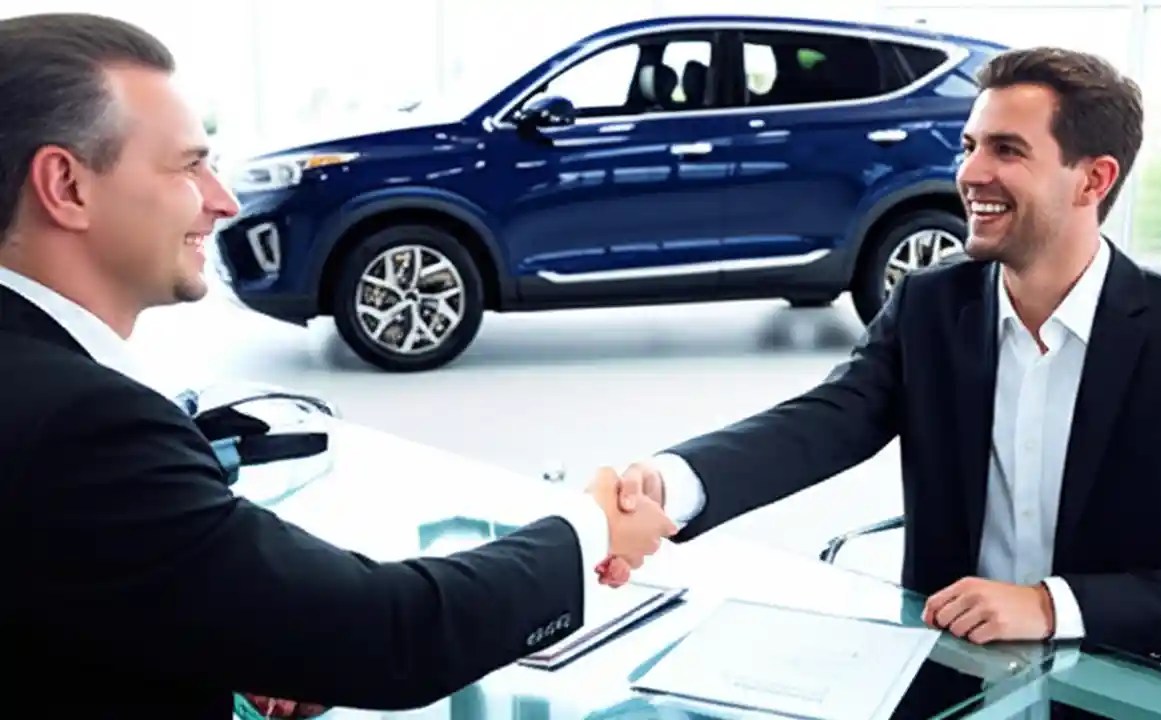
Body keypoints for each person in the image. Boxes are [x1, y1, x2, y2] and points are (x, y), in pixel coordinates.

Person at [0, 12, 674, 719]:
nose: (223, 202)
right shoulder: (85, 423)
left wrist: (240, 637)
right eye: (188, 165)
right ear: (67, 186)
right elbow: (390, 635)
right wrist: (591, 529)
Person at [600, 46, 1161, 691]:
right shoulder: (930, 304)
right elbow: (823, 421)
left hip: (1148, 689)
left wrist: (1052, 607)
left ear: (1093, 180)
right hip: (956, 680)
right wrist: (670, 485)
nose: (971, 174)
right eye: (970, 146)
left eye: (1007, 150)